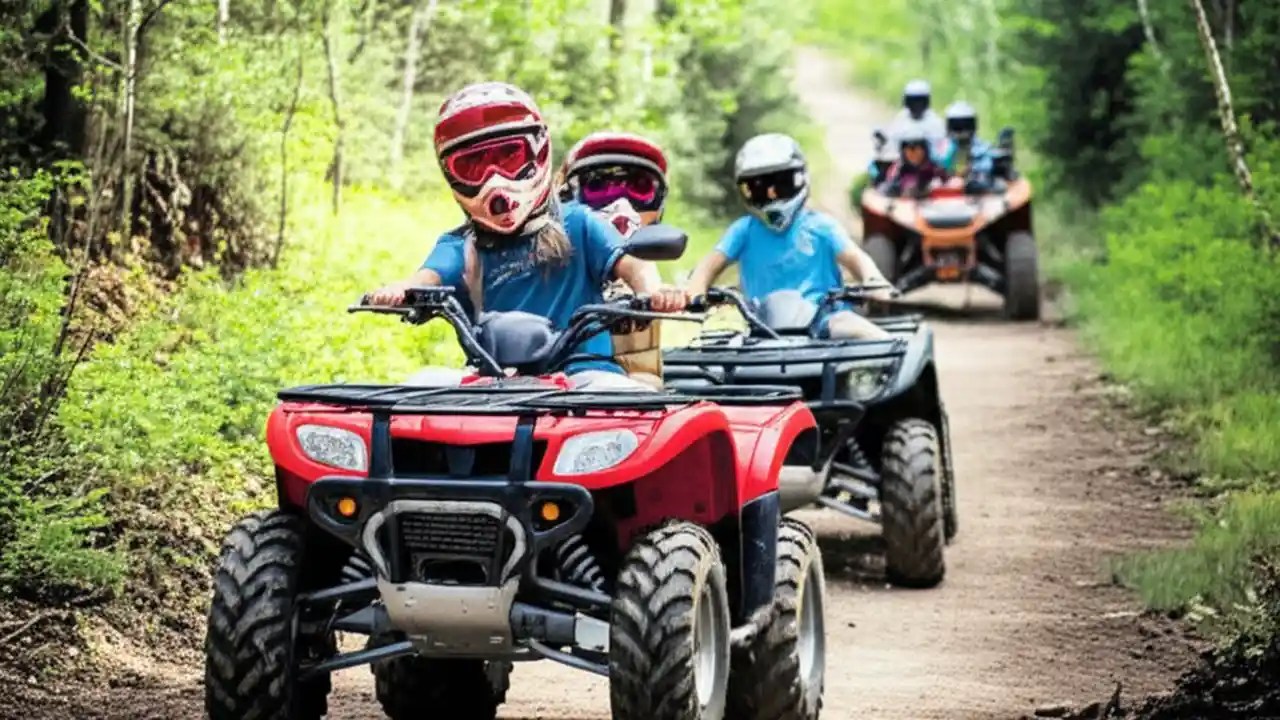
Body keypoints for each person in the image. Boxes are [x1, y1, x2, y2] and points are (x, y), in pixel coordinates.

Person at [366, 82, 687, 388]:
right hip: (492, 378)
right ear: (451, 174)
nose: (494, 179)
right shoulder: (461, 245)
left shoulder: (578, 223)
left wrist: (654, 291)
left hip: (584, 373)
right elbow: (426, 278)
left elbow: (633, 265)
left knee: (624, 402)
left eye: (509, 157)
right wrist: (400, 290)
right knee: (421, 384)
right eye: (473, 166)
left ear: (539, 152)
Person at [684, 133, 892, 341]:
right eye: (758, 188)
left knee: (879, 341)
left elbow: (856, 258)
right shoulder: (743, 230)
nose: (771, 195)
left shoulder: (821, 226)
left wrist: (875, 281)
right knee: (713, 352)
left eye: (780, 184)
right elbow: (708, 265)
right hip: (761, 328)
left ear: (800, 178)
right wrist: (694, 292)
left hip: (826, 321)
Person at [556, 131, 672, 388]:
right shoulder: (559, 256)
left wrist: (664, 295)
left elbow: (644, 275)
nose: (621, 207)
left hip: (623, 386)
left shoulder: (641, 263)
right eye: (597, 187)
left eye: (639, 188)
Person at [868, 79, 946, 183]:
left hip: (929, 167)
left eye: (920, 101)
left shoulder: (935, 122)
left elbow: (941, 148)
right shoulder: (900, 119)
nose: (916, 105)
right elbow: (890, 144)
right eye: (913, 101)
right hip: (903, 165)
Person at [877, 121, 949, 198]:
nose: (914, 154)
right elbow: (887, 190)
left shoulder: (935, 168)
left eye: (917, 148)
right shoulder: (898, 169)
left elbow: (947, 185)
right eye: (910, 149)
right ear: (903, 152)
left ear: (925, 150)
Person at [937, 101, 995, 193]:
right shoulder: (943, 148)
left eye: (965, 125)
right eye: (956, 126)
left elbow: (987, 165)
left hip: (975, 191)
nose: (961, 131)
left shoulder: (981, 148)